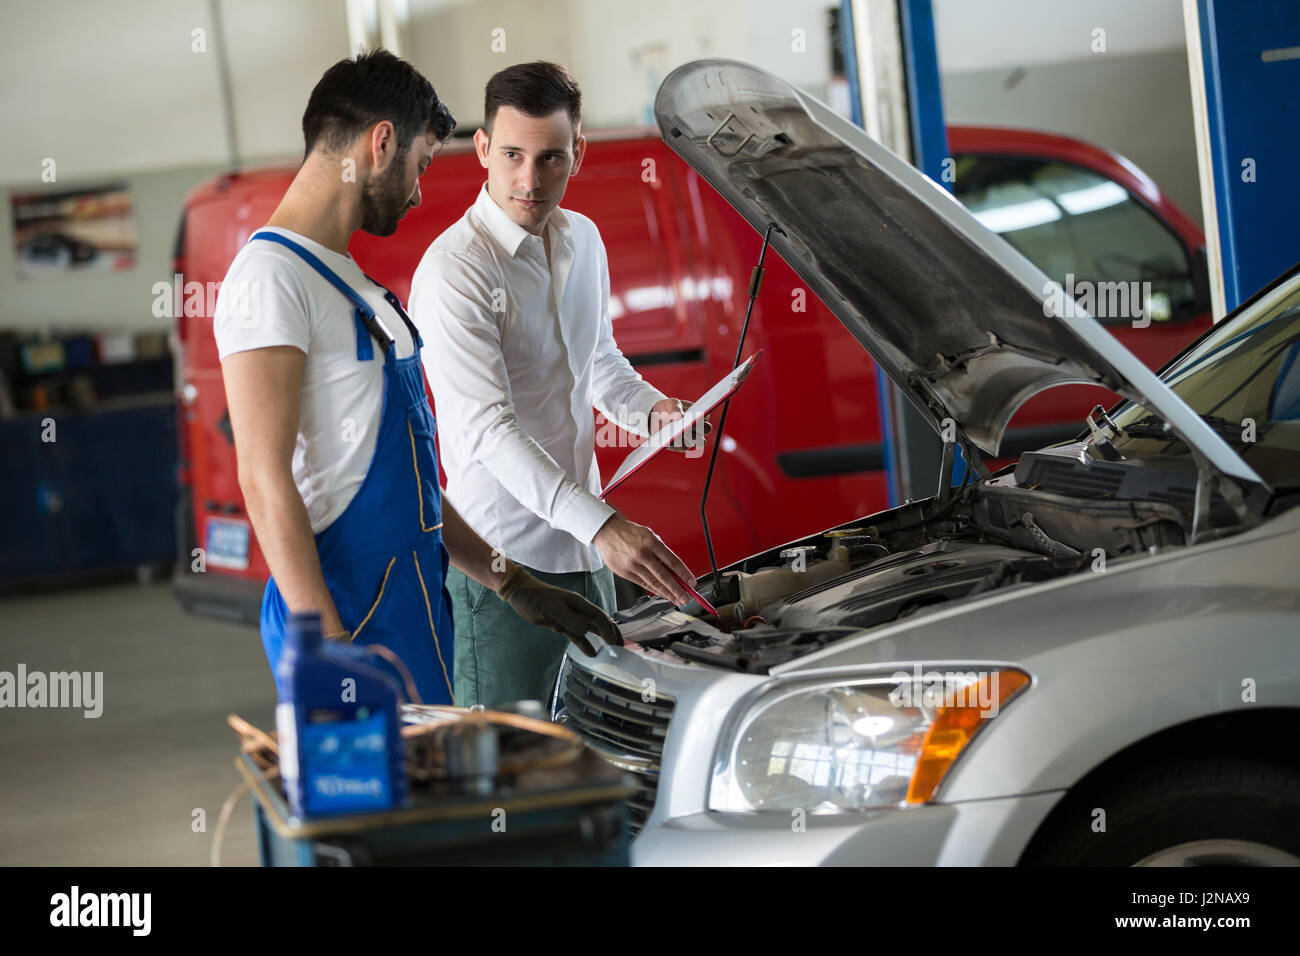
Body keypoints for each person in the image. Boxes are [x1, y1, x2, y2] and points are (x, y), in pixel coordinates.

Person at [214, 50, 619, 706]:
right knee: (387, 806)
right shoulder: (269, 279)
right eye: (422, 163)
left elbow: (418, 486)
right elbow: (263, 479)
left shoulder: (351, 281)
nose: (420, 190)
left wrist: (511, 581)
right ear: (381, 143)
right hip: (347, 610)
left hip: (410, 597)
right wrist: (328, 642)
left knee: (448, 798)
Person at [409, 61, 708, 708]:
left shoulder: (584, 241)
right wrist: (603, 525)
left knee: (595, 748)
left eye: (551, 158)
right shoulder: (453, 272)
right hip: (504, 567)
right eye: (512, 154)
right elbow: (487, 430)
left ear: (578, 153)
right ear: (483, 149)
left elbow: (599, 362)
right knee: (512, 777)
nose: (529, 179)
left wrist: (654, 413)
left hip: (586, 556)